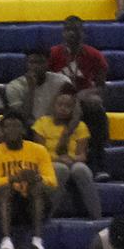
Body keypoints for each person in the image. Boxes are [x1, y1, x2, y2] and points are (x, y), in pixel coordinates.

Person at [0, 110, 57, 249]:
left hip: (33, 201)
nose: (12, 130)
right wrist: (13, 179)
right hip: (11, 203)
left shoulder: (38, 150)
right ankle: (6, 241)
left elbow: (52, 181)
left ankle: (37, 241)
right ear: (2, 130)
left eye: (16, 126)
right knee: (4, 190)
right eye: (7, 126)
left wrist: (36, 177)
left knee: (36, 187)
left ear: (24, 130)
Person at [48, 16, 110, 170]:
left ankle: (97, 158)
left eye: (75, 30)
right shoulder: (53, 53)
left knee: (96, 107)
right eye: (68, 30)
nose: (72, 34)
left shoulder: (94, 55)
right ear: (63, 33)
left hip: (82, 100)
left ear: (83, 33)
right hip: (57, 99)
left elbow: (101, 88)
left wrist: (84, 94)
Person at [32, 88, 101, 220]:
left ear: (73, 110)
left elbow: (82, 155)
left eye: (68, 106)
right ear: (53, 106)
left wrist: (72, 159)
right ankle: (47, 215)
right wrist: (59, 159)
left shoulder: (80, 126)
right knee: (61, 169)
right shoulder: (42, 123)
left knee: (81, 169)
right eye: (60, 105)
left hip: (72, 161)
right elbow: (40, 153)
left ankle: (97, 216)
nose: (63, 108)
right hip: (49, 162)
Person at [3, 48, 71, 128]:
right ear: (26, 64)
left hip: (57, 124)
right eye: (32, 62)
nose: (36, 66)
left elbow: (73, 109)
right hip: (29, 127)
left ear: (48, 64)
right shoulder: (14, 86)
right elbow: (22, 117)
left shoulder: (62, 81)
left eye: (41, 62)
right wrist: (31, 89)